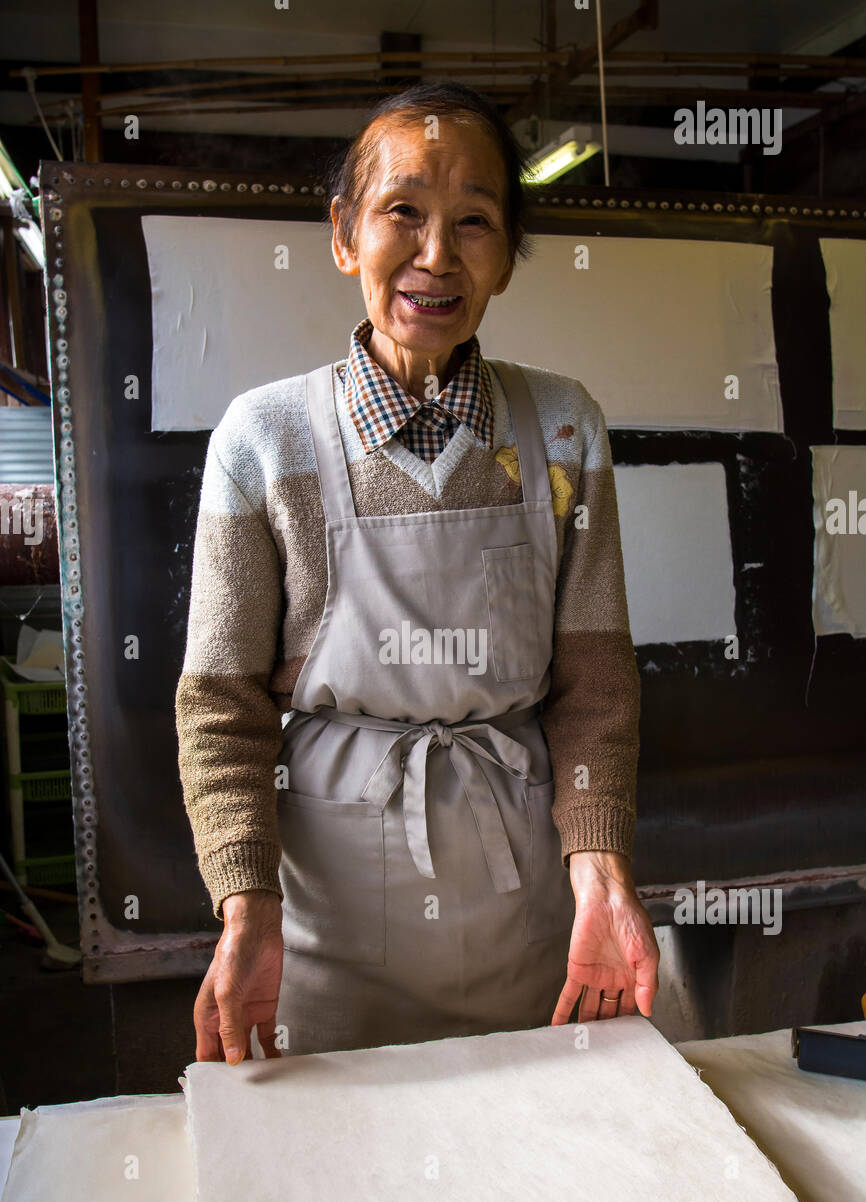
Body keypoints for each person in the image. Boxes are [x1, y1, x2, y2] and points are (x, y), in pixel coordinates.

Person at [175, 82, 659, 1064]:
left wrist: (600, 872)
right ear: (343, 234)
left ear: (506, 259)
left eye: (473, 221)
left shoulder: (563, 427)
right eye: (403, 212)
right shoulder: (262, 441)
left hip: (526, 905)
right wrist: (245, 903)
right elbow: (221, 703)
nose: (436, 255)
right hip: (325, 919)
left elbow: (594, 689)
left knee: (529, 1171)